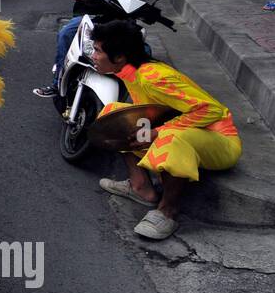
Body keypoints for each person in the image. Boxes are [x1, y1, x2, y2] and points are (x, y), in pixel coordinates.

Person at [92, 20, 241, 240]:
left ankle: (167, 211)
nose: (93, 55)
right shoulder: (132, 71)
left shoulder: (155, 77)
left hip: (221, 141)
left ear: (120, 56)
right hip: (188, 129)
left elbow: (212, 110)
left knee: (170, 136)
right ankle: (140, 186)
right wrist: (150, 130)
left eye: (97, 50)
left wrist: (157, 132)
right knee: (114, 114)